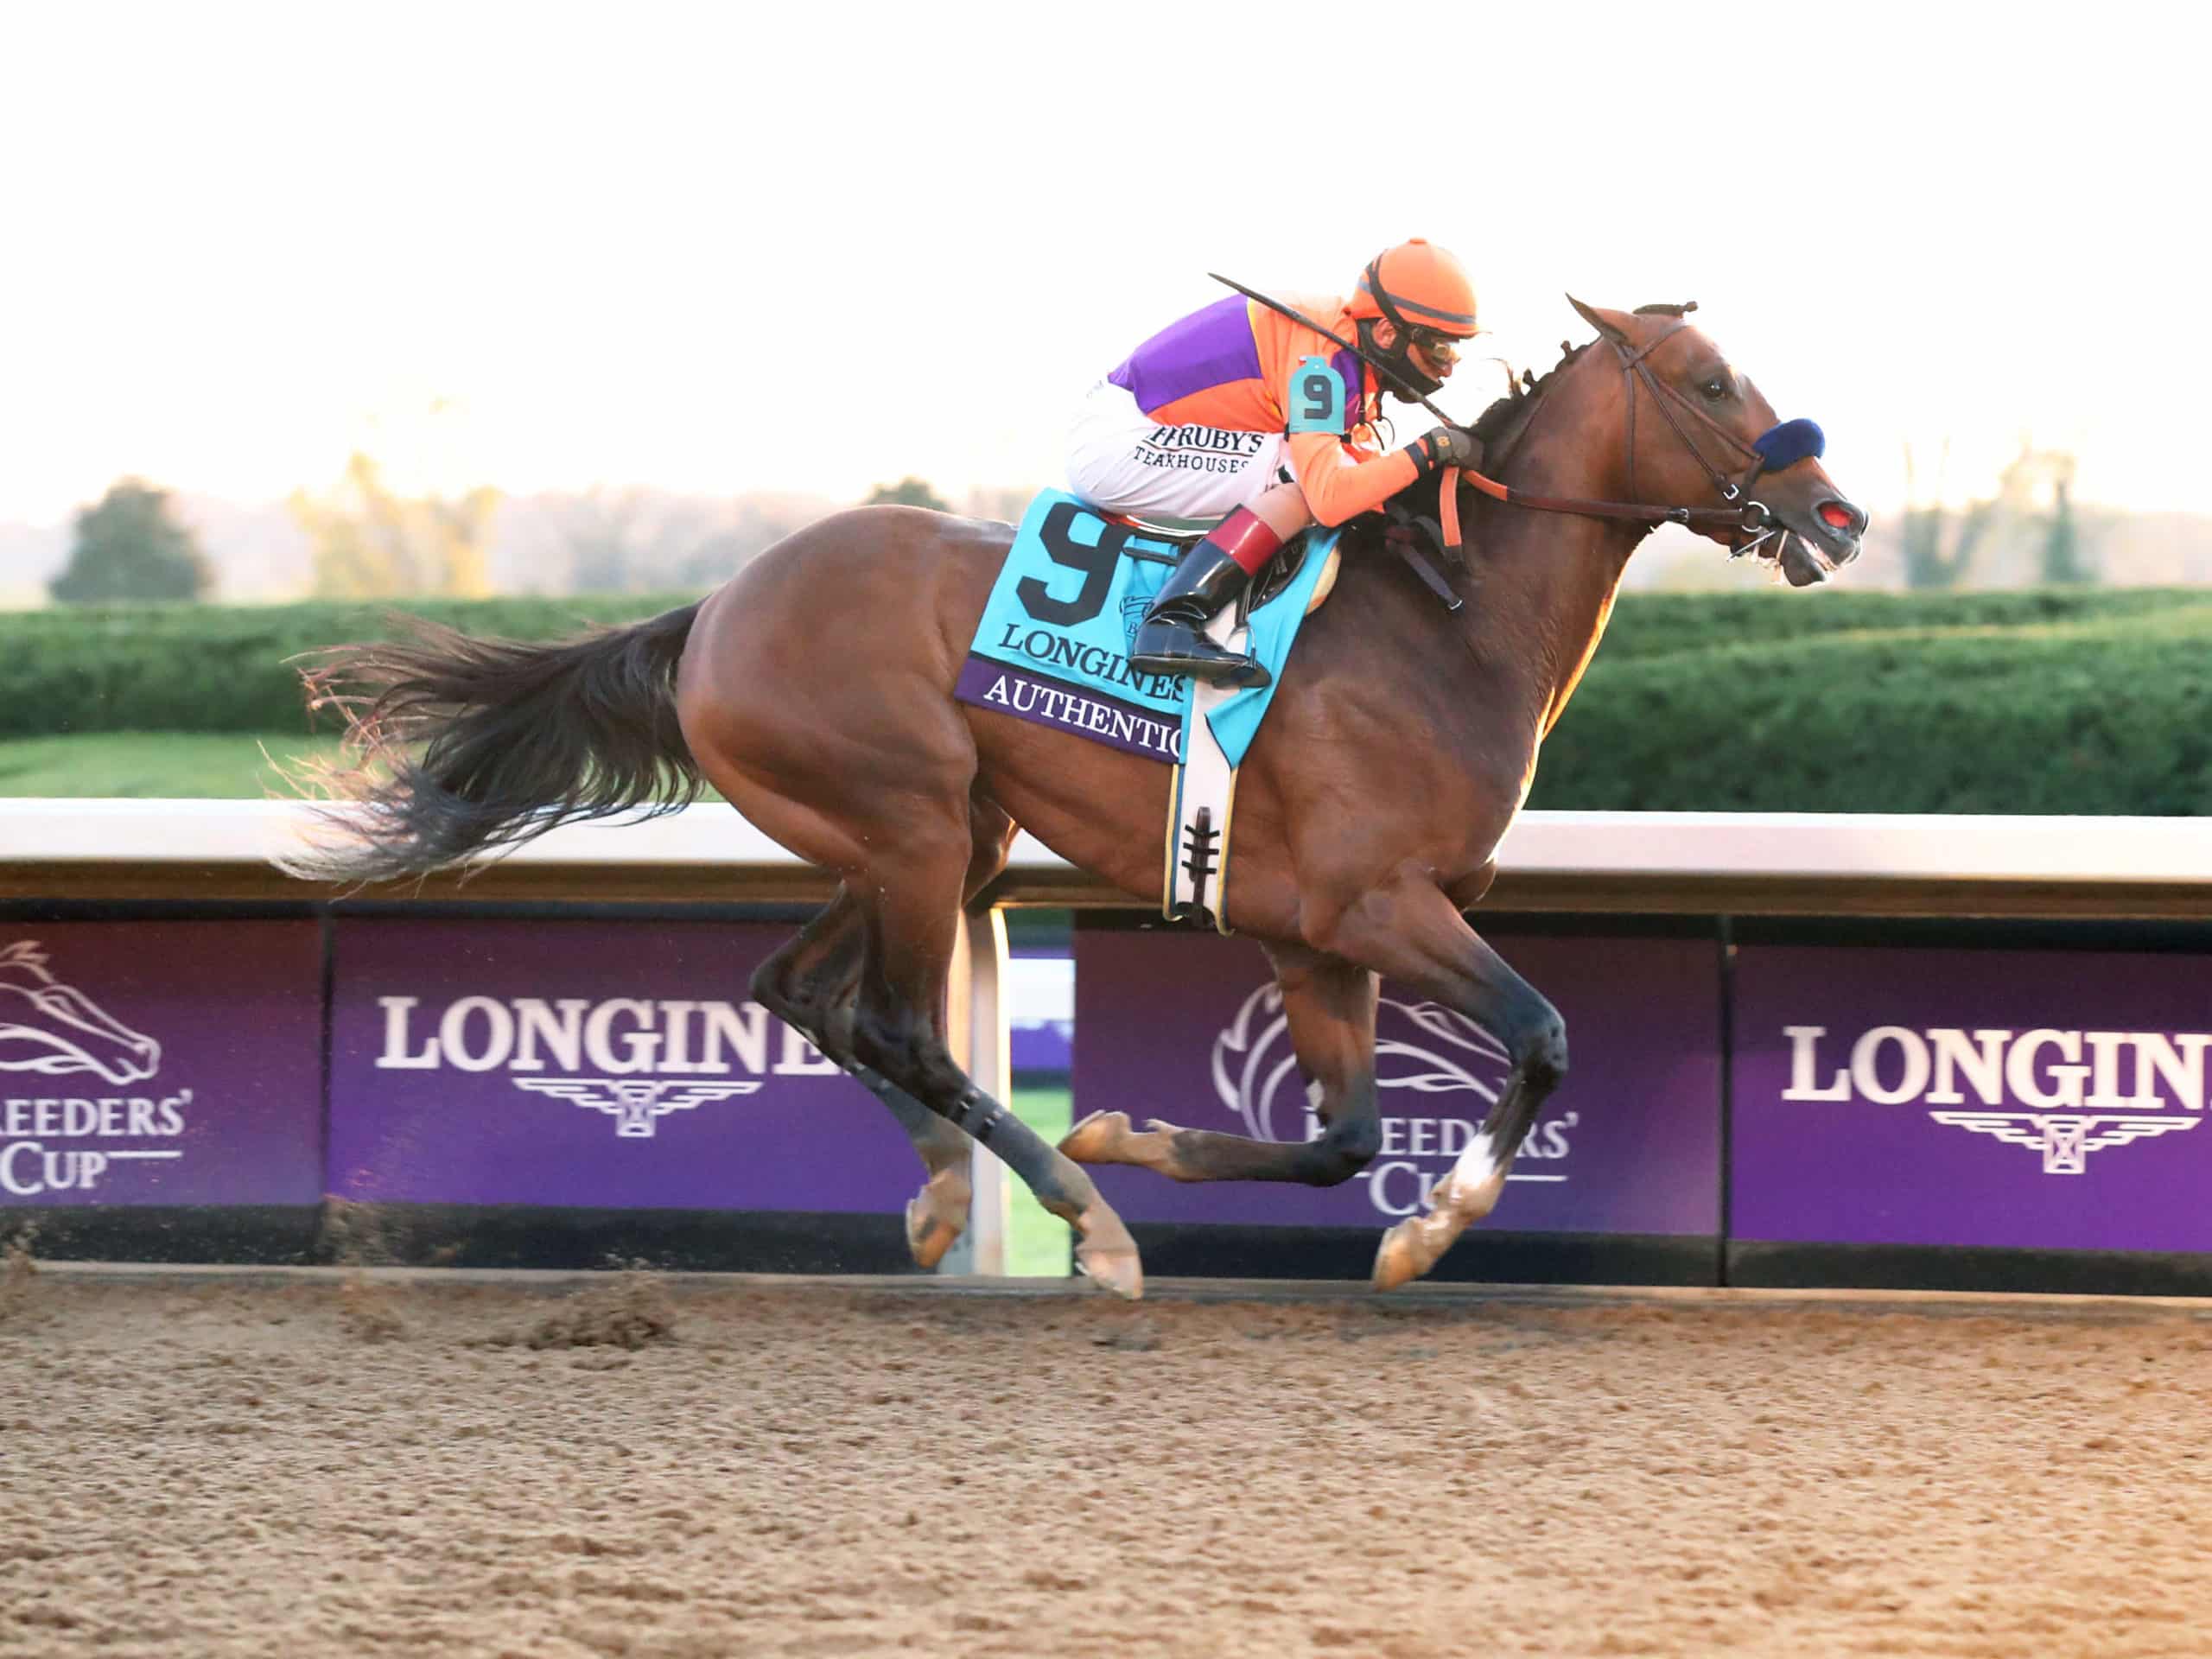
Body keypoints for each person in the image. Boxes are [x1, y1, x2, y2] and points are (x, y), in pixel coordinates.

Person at [1067, 238, 1481, 688]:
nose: (1448, 370)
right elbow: (1328, 498)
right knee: (1302, 481)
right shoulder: (1321, 365)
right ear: (1387, 333)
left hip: (1141, 426)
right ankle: (1170, 622)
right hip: (1119, 441)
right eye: (1441, 351)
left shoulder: (1348, 355)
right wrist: (1427, 451)